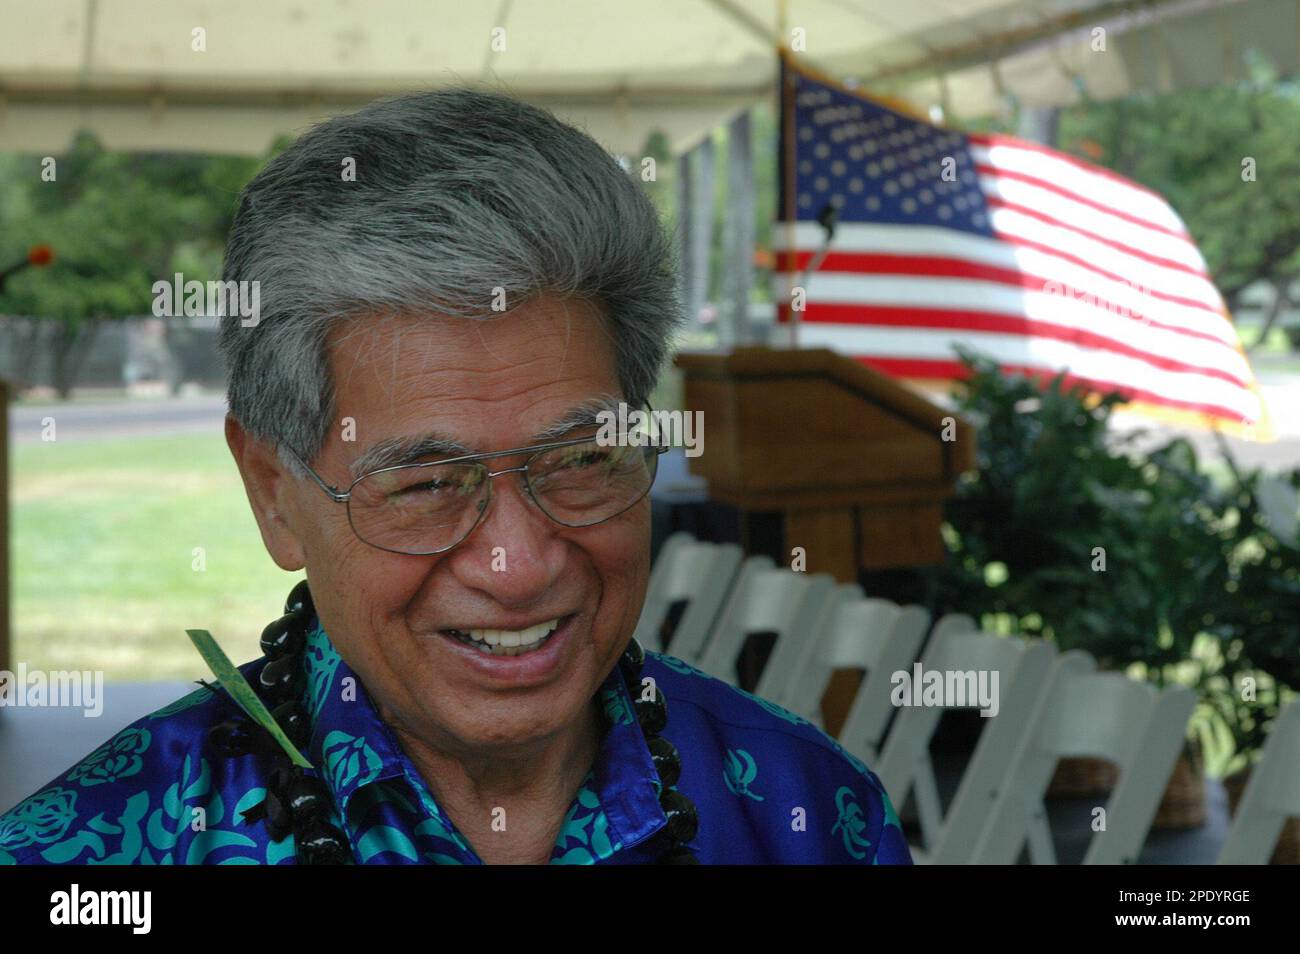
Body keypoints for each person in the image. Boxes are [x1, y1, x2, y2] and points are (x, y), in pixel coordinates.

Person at [0, 88, 911, 865]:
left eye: (583, 460)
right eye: (427, 483)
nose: (517, 566)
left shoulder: (813, 818)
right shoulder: (94, 851)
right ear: (274, 494)